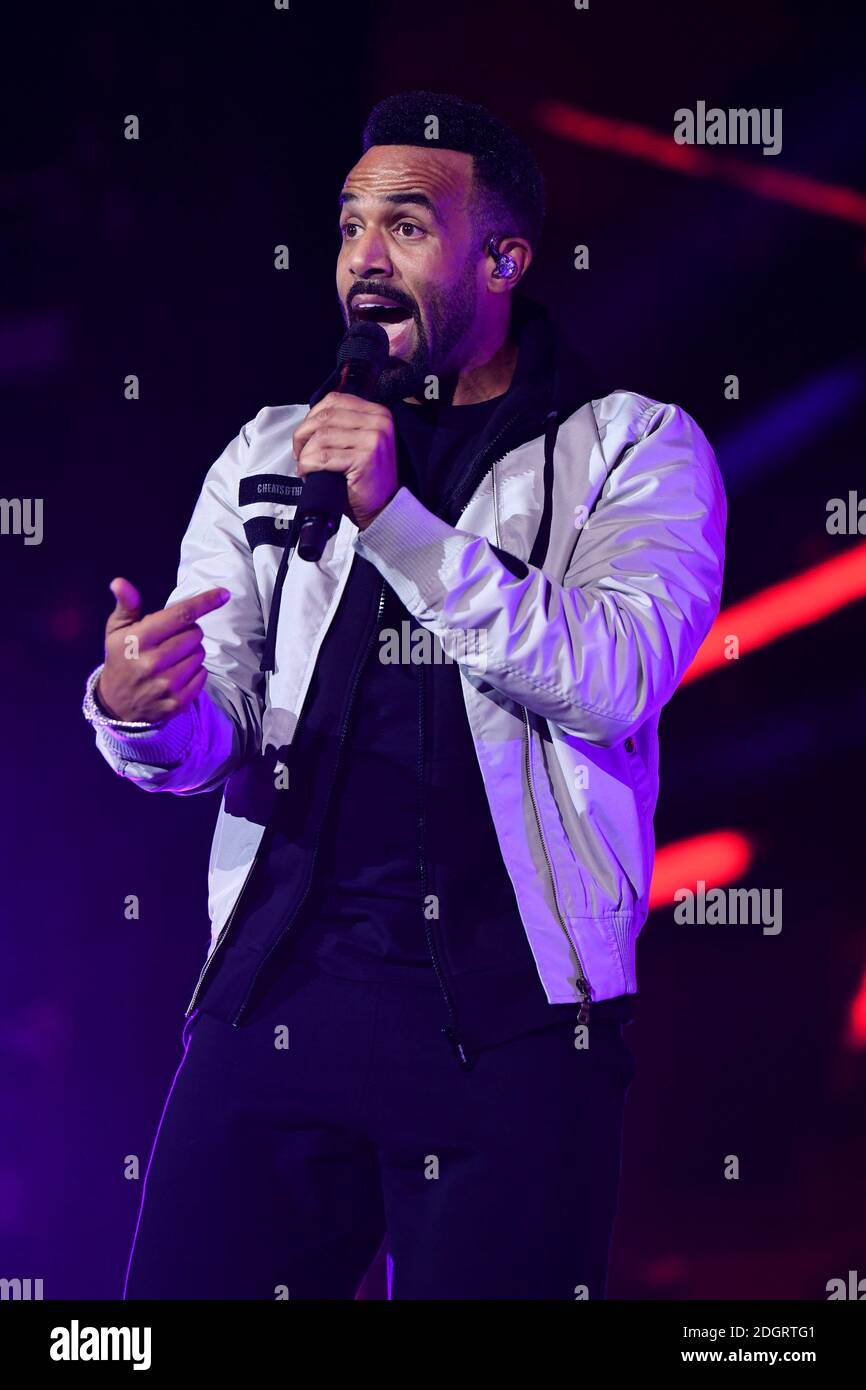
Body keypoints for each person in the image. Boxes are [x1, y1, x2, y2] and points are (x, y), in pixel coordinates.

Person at [82, 90, 727, 1300]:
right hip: (275, 991)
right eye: (346, 227)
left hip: (514, 1020)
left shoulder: (632, 449)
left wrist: (400, 525)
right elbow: (210, 721)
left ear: (503, 257)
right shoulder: (273, 449)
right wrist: (140, 707)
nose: (362, 260)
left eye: (406, 228)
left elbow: (614, 674)